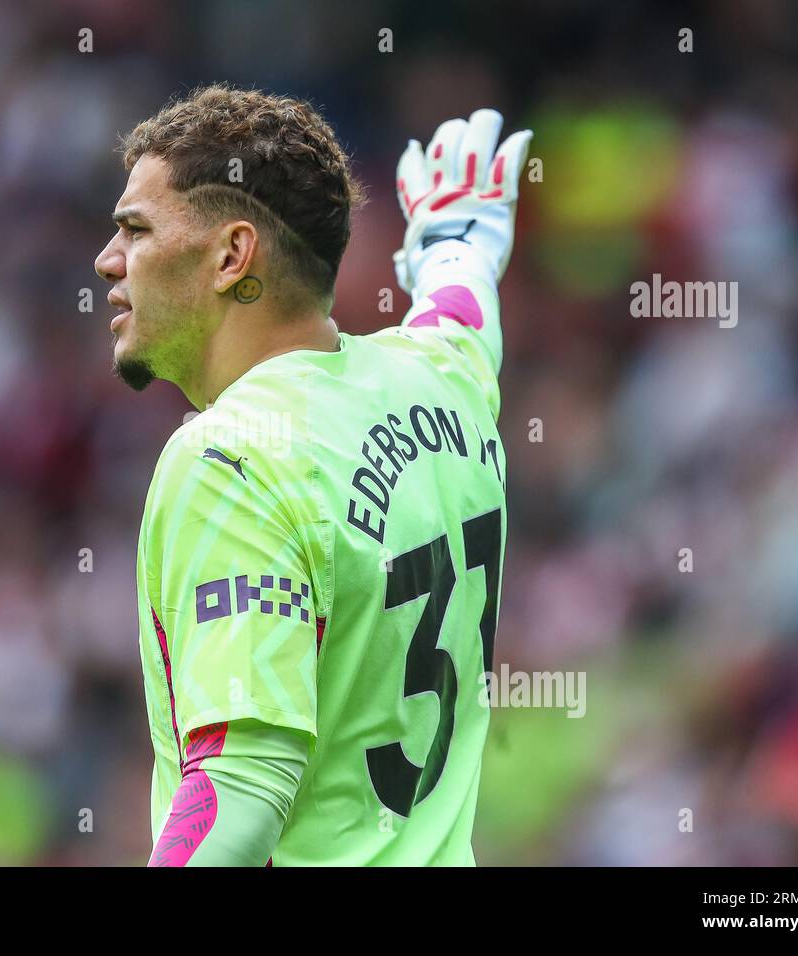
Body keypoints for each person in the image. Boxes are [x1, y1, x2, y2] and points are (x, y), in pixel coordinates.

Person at [93, 83, 532, 865]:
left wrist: (458, 250)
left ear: (232, 257)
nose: (108, 261)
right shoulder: (441, 381)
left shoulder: (231, 459)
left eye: (135, 229)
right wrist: (460, 244)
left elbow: (242, 789)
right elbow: (459, 315)